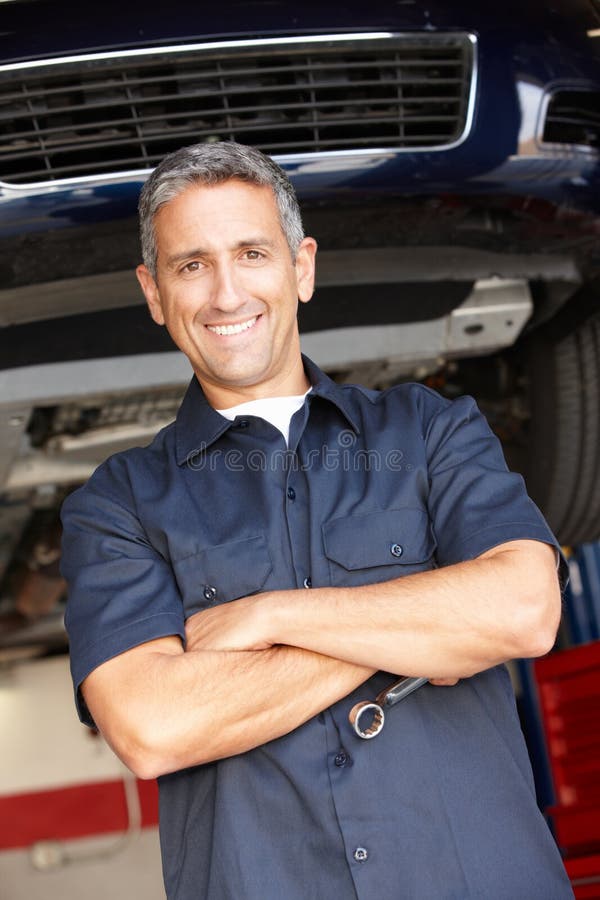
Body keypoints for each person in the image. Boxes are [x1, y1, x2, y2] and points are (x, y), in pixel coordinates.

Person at [61, 141, 574, 899]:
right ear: (154, 291)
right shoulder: (116, 505)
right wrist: (426, 620)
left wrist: (269, 616)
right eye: (191, 265)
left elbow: (525, 612)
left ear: (301, 267)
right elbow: (150, 727)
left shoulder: (429, 430)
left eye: (252, 253)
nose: (226, 294)